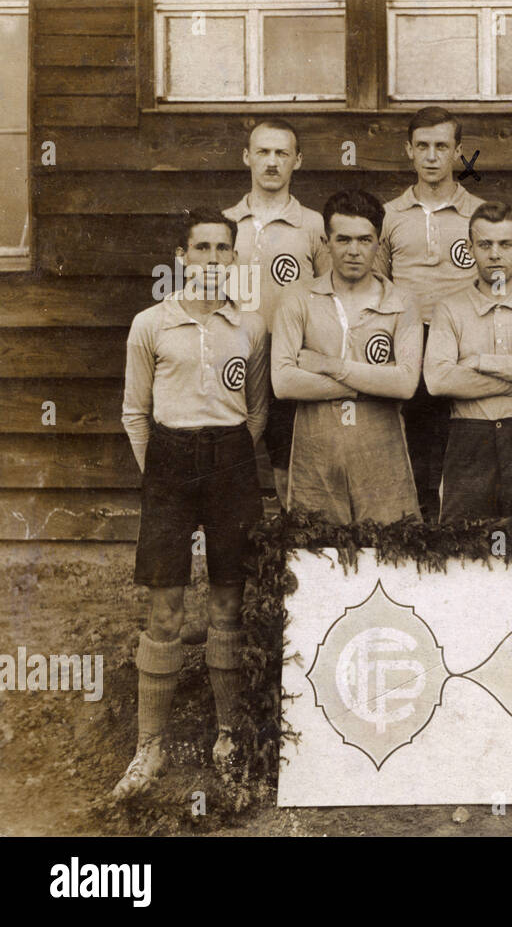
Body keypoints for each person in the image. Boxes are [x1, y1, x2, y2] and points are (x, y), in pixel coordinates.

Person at [115, 208, 269, 798]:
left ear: (234, 258)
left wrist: (224, 461)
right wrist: (162, 475)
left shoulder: (249, 327)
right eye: (200, 248)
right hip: (169, 463)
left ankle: (228, 734)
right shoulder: (150, 323)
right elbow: (135, 412)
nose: (211, 258)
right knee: (166, 609)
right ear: (182, 257)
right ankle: (149, 746)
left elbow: (255, 412)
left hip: (230, 460)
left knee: (229, 602)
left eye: (221, 249)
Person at [272, 189, 421, 525]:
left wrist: (329, 366)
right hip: (316, 451)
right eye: (343, 240)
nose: (354, 251)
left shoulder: (403, 301)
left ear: (378, 243)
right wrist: (369, 384)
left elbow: (405, 383)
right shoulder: (297, 297)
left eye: (365, 240)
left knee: (390, 554)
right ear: (327, 242)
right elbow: (283, 382)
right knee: (317, 555)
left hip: (381, 450)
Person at [377, 107, 486, 519]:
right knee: (414, 438)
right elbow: (380, 284)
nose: (432, 156)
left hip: (463, 341)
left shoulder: (479, 213)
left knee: (462, 436)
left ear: (458, 152)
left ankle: (457, 523)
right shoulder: (389, 216)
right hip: (409, 340)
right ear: (409, 150)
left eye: (442, 146)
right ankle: (417, 523)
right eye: (422, 146)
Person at [424, 202, 512, 520]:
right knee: (463, 551)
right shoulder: (449, 309)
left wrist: (479, 361)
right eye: (485, 244)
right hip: (470, 437)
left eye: (505, 244)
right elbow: (438, 381)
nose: (495, 254)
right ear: (470, 248)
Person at [223, 119, 330, 511]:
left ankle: (295, 539)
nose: (272, 163)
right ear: (247, 157)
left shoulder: (315, 225)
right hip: (235, 357)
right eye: (263, 152)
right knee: (234, 451)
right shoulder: (225, 223)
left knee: (290, 457)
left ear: (297, 161)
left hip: (291, 360)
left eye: (282, 154)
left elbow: (330, 291)